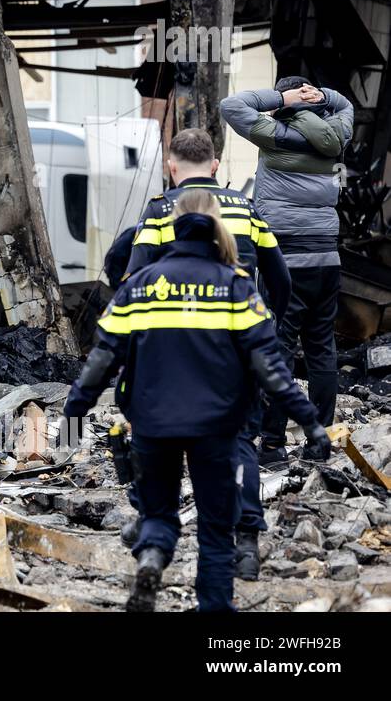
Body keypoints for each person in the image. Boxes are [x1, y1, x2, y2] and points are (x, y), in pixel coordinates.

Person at [64, 190, 331, 612]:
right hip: (218, 429)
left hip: (152, 424)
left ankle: (152, 555)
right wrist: (311, 422)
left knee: (158, 514)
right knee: (214, 531)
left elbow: (101, 359)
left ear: (170, 228)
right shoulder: (236, 286)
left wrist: (74, 411)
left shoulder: (140, 286)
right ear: (218, 230)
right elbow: (271, 368)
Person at [124, 127, 291, 579]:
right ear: (215, 166)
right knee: (239, 444)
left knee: (157, 435)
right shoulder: (249, 209)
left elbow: (133, 277)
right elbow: (281, 282)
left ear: (171, 168)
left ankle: (152, 525)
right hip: (236, 351)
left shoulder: (161, 211)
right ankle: (247, 545)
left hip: (170, 350)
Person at [221, 79, 353, 463]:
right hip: (327, 258)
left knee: (277, 350)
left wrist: (282, 98)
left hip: (287, 261)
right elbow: (347, 105)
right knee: (322, 350)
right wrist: (323, 96)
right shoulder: (338, 134)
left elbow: (232, 105)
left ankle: (274, 444)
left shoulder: (274, 135)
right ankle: (320, 442)